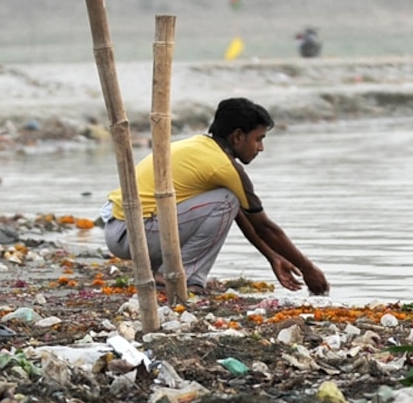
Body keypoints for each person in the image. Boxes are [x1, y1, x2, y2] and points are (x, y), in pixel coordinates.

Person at [100, 98, 329, 296]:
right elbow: (265, 228)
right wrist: (308, 270)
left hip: (119, 229)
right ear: (238, 136)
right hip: (133, 235)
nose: (260, 148)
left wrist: (272, 257)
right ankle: (182, 277)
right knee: (226, 200)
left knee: (227, 201)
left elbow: (239, 216)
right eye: (258, 139)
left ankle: (169, 274)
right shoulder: (224, 167)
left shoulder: (201, 146)